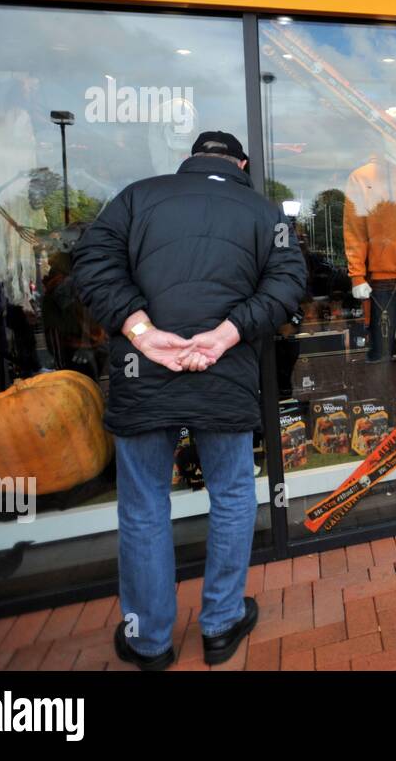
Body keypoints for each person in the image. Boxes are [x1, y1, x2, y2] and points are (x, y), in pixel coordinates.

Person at [72, 131, 307, 670]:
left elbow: (91, 261)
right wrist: (227, 334)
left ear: (190, 161)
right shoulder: (263, 210)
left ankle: (148, 640)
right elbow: (289, 281)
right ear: (242, 163)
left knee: (143, 504)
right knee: (229, 494)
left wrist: (141, 331)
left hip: (144, 371)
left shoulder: (137, 196)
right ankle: (221, 625)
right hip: (223, 373)